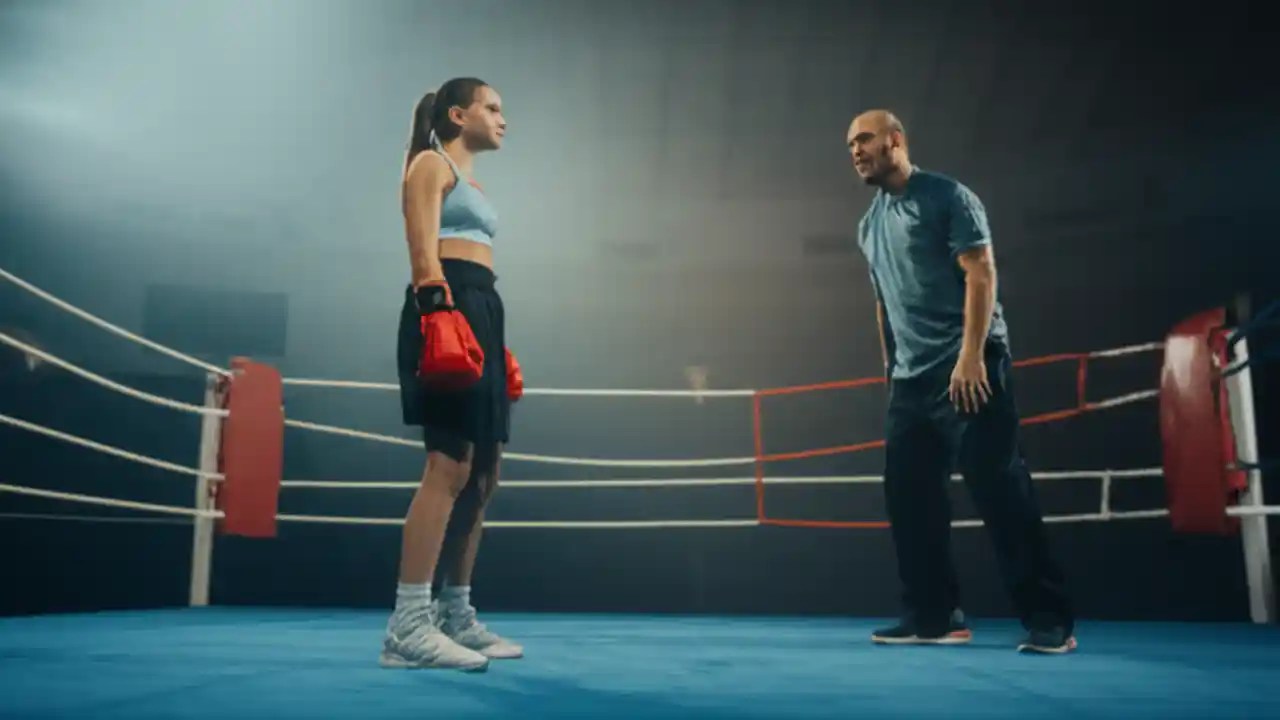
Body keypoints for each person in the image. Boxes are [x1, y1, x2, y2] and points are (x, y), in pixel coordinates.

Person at [847, 109, 1077, 654]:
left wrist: (971, 355)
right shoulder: (868, 225)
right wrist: (891, 371)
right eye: (850, 144)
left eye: (865, 139)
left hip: (970, 366)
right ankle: (933, 617)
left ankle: (1050, 620)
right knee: (909, 498)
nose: (855, 150)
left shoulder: (948, 197)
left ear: (895, 140)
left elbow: (981, 272)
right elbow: (884, 303)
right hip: (912, 381)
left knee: (999, 488)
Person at [381, 77, 523, 671]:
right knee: (448, 464)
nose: (503, 118)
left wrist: (493, 340)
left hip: (482, 304)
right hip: (446, 299)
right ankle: (407, 625)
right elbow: (422, 249)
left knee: (484, 472)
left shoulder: (471, 181)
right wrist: (439, 311)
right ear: (458, 114)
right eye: (492, 107)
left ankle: (454, 613)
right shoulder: (428, 165)